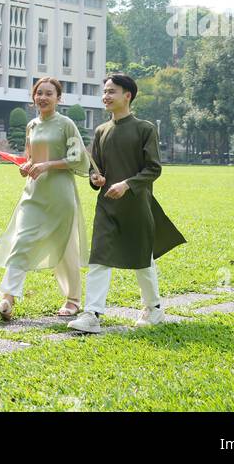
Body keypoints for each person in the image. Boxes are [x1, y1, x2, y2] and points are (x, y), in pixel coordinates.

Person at [68, 73, 186, 334]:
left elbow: (154, 168)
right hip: (107, 206)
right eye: (105, 92)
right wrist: (95, 179)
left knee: (142, 259)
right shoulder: (101, 131)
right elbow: (94, 169)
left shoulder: (145, 129)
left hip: (137, 205)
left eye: (111, 92)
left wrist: (127, 185)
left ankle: (153, 309)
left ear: (127, 96)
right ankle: (92, 314)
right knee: (99, 257)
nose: (105, 96)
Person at [0, 77, 90, 322]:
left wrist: (47, 165)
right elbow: (30, 157)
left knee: (64, 248)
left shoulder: (66, 124)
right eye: (39, 93)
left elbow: (78, 158)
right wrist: (27, 166)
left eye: (49, 94)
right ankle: (7, 300)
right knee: (21, 241)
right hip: (33, 193)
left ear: (58, 98)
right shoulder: (31, 125)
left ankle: (73, 300)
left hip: (60, 194)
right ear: (33, 97)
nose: (43, 97)